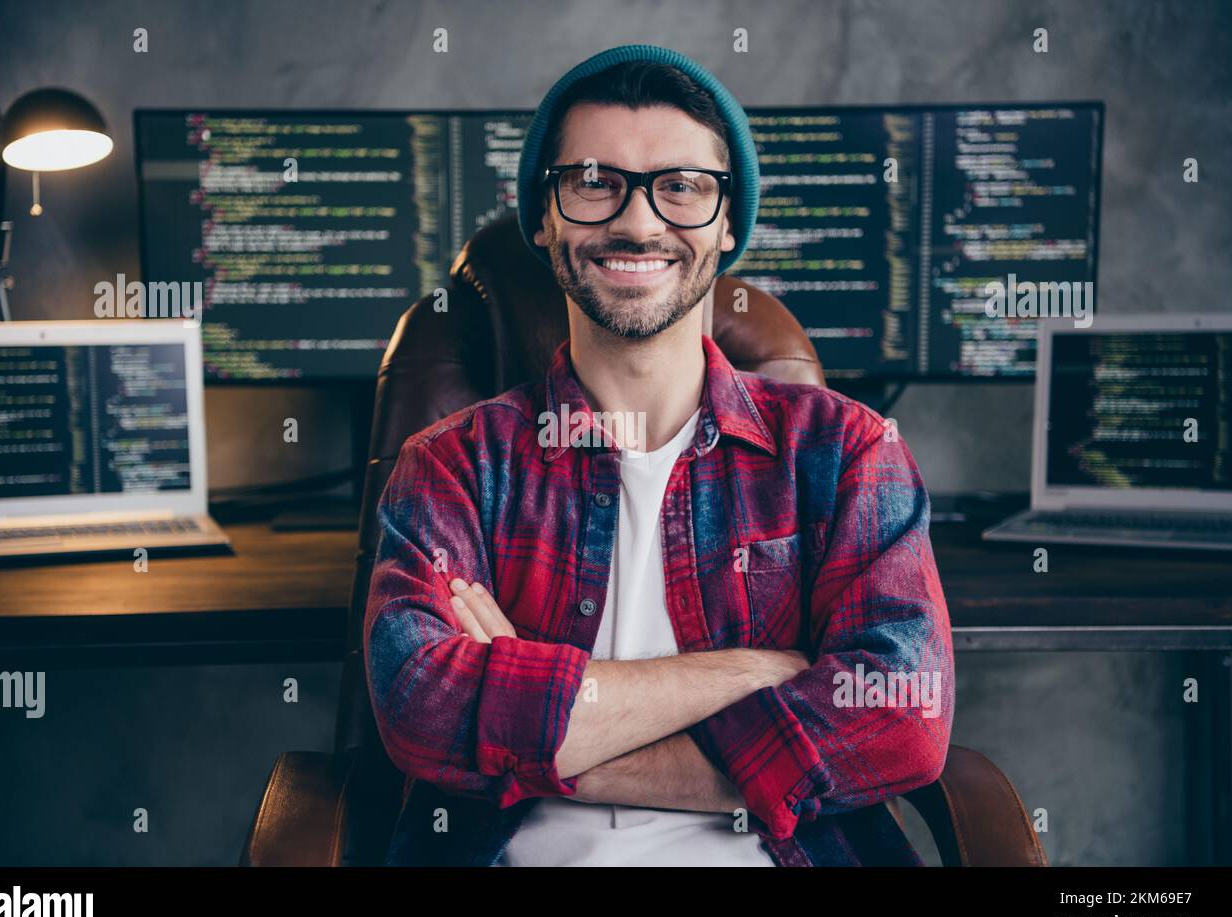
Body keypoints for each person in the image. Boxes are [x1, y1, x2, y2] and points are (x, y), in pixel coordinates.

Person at [364, 44, 954, 866]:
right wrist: (751, 673)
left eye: (680, 187)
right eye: (594, 182)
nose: (638, 221)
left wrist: (535, 738)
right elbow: (421, 711)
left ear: (727, 223)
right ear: (545, 215)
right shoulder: (452, 467)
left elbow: (901, 718)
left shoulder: (846, 451)